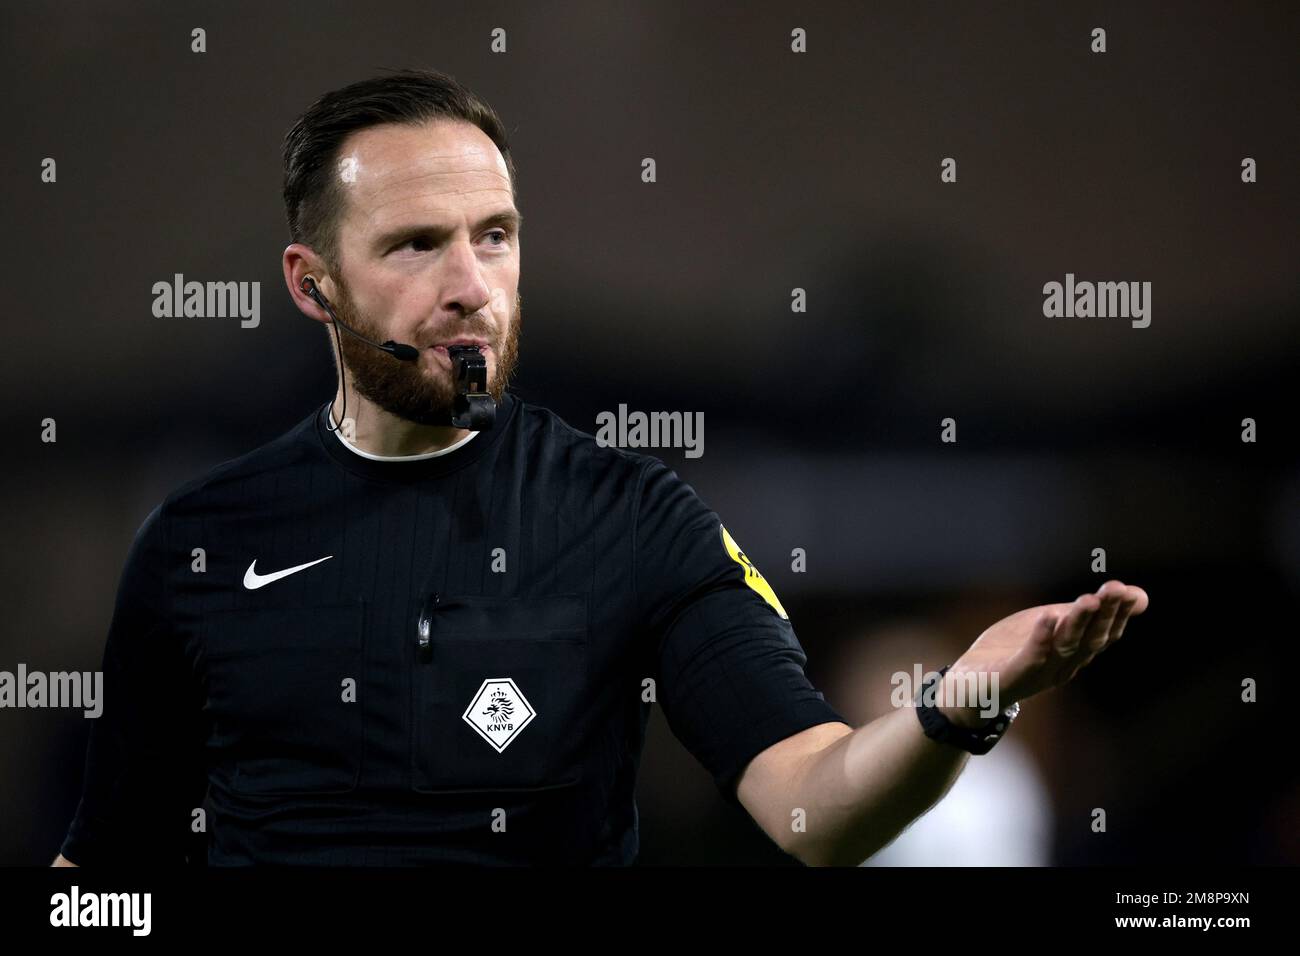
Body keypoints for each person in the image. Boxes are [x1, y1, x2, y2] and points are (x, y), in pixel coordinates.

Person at [54, 68, 1147, 866]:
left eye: (495, 236)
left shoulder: (633, 519)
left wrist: (956, 707)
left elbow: (814, 805)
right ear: (312, 283)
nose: (469, 283)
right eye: (413, 244)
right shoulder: (202, 542)